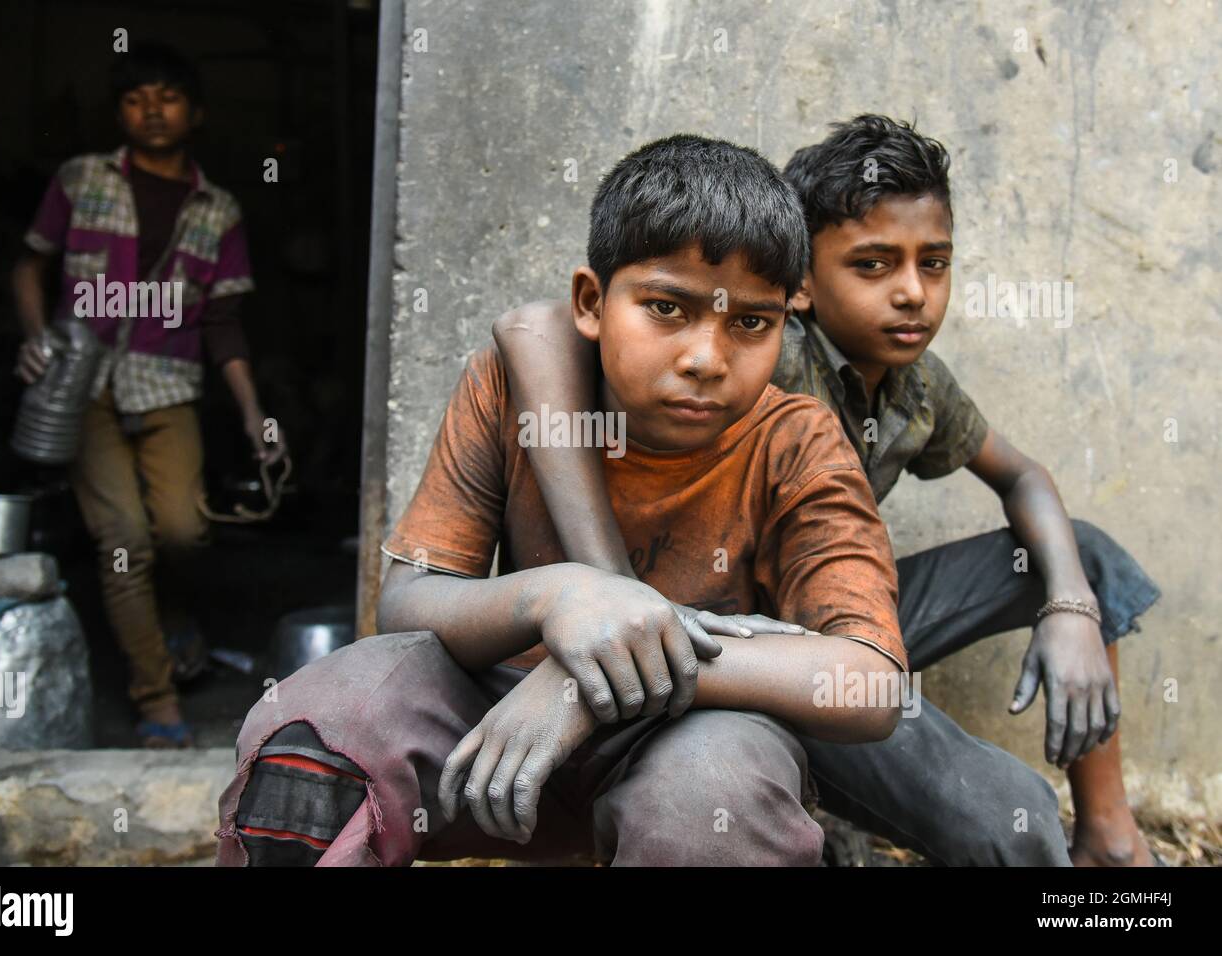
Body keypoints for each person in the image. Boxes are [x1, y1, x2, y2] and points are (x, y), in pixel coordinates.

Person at [217, 134, 907, 867]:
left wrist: (590, 679)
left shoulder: (794, 440)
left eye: (750, 323)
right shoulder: (507, 389)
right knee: (324, 719)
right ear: (590, 301)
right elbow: (408, 602)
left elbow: (869, 684)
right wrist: (557, 597)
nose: (706, 358)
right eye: (668, 309)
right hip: (493, 732)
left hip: (687, 739)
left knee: (711, 796)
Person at [490, 115, 1161, 866]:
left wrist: (1069, 606)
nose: (911, 293)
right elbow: (534, 329)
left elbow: (1026, 476)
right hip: (740, 646)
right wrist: (609, 590)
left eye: (932, 264)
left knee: (1081, 558)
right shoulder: (756, 352)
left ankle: (1108, 833)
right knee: (1004, 814)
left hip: (843, 624)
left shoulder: (917, 386)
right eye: (873, 265)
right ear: (800, 286)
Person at [12, 42, 285, 747]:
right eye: (135, 99)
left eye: (166, 97)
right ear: (119, 113)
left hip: (168, 386)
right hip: (85, 388)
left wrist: (255, 414)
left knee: (184, 531)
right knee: (125, 539)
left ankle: (171, 616)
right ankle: (157, 699)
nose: (151, 110)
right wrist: (36, 336)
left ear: (194, 113)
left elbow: (223, 322)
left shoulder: (217, 210)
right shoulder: (80, 180)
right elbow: (28, 266)